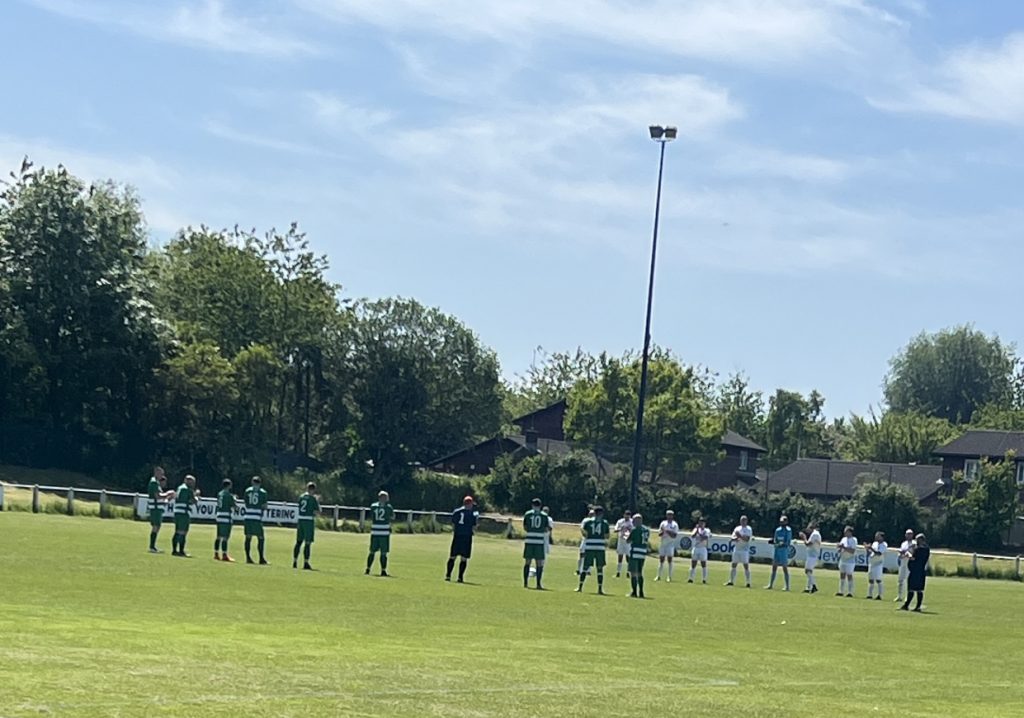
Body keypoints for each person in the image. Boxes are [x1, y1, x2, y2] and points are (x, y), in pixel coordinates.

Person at [576, 505, 610, 595]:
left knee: (585, 567)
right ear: (602, 514)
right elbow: (607, 536)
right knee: (599, 568)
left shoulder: (588, 522)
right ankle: (600, 589)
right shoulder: (605, 523)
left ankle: (580, 587)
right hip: (600, 547)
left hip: (590, 546)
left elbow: (585, 534)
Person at [446, 496, 479, 583]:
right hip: (466, 537)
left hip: (457, 536)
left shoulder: (456, 512)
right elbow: (474, 526)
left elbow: (453, 524)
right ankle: (460, 577)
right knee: (464, 558)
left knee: (452, 556)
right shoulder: (472, 514)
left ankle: (448, 575)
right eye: (471, 504)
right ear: (469, 504)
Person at [146, 467, 175, 553]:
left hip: (157, 508)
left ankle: (153, 546)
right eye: (161, 474)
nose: (162, 476)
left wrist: (168, 498)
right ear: (156, 473)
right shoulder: (154, 483)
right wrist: (168, 493)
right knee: (156, 526)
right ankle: (152, 547)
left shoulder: (156, 483)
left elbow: (160, 499)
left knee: (157, 526)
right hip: (155, 508)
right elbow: (158, 496)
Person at [522, 498, 550, 589]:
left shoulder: (528, 514)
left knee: (527, 562)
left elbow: (525, 527)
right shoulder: (544, 515)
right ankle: (538, 584)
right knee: (539, 563)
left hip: (529, 540)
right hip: (539, 541)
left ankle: (526, 583)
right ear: (540, 506)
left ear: (532, 505)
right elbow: (546, 529)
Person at [899, 533, 930, 613]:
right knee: (918, 589)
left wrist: (908, 553)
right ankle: (915, 606)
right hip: (920, 571)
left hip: (916, 571)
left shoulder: (920, 549)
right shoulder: (926, 548)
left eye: (917, 539)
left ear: (921, 540)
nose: (916, 541)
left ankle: (909, 605)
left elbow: (913, 558)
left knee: (912, 589)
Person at [366, 490, 395, 577]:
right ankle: (383, 570)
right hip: (384, 531)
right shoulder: (388, 507)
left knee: (372, 551)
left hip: (375, 530)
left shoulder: (373, 506)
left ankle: (368, 569)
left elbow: (372, 516)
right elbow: (392, 517)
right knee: (383, 553)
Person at [293, 482, 320, 570]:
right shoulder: (312, 498)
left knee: (298, 542)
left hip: (300, 520)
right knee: (307, 543)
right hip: (308, 521)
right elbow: (317, 512)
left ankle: (295, 561)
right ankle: (306, 562)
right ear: (313, 489)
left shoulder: (301, 497)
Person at [243, 476, 269, 565]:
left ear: (252, 482)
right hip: (256, 517)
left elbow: (246, 503)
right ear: (260, 483)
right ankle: (261, 558)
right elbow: (265, 506)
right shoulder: (263, 492)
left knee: (248, 537)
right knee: (261, 538)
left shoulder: (247, 491)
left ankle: (248, 557)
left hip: (247, 516)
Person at [171, 474, 198, 557]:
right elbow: (193, 501)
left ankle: (174, 550)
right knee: (183, 532)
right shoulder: (188, 490)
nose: (193, 484)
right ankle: (181, 551)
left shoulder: (180, 488)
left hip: (177, 512)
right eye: (192, 482)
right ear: (188, 481)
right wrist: (196, 496)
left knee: (177, 531)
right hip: (184, 513)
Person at [765, 515, 792, 591]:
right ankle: (770, 584)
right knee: (774, 567)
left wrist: (782, 544)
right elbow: (775, 539)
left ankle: (787, 586)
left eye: (783, 521)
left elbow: (788, 542)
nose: (782, 523)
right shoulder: (778, 530)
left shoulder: (788, 530)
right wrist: (774, 542)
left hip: (783, 551)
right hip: (777, 550)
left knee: (784, 568)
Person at [725, 515, 753, 588]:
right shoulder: (737, 528)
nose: (743, 522)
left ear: (746, 521)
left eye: (744, 520)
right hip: (737, 549)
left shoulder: (748, 529)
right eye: (742, 520)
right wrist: (736, 538)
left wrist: (739, 536)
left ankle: (748, 582)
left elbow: (747, 539)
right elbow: (732, 537)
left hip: (744, 550)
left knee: (746, 566)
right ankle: (731, 581)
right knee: (733, 565)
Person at [627, 514, 650, 598]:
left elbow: (628, 540)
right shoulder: (646, 530)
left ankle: (634, 592)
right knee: (640, 573)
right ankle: (641, 591)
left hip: (635, 551)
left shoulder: (635, 529)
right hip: (643, 552)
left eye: (633, 520)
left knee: (633, 573)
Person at [214, 479, 237, 562]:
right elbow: (234, 506)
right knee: (225, 537)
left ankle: (216, 553)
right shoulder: (228, 495)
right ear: (229, 485)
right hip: (226, 516)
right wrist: (234, 500)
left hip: (219, 515)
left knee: (218, 536)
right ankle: (224, 555)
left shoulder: (219, 494)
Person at [656, 510, 679, 582]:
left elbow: (674, 535)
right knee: (661, 560)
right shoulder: (663, 523)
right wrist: (663, 531)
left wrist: (667, 531)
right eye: (668, 515)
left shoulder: (675, 524)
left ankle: (669, 576)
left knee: (670, 560)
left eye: (671, 515)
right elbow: (659, 534)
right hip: (663, 544)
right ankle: (658, 575)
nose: (669, 516)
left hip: (670, 545)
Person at [800, 521, 822, 594]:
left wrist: (804, 537)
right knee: (810, 571)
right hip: (812, 554)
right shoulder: (815, 534)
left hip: (813, 555)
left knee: (807, 571)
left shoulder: (814, 534)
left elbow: (808, 544)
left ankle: (814, 585)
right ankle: (808, 587)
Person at [836, 525, 858, 597]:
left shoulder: (854, 540)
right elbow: (841, 548)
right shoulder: (843, 539)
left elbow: (852, 551)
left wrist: (844, 547)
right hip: (843, 559)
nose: (845, 533)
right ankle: (841, 591)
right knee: (842, 575)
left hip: (850, 560)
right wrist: (839, 548)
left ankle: (850, 592)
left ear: (850, 532)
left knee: (849, 575)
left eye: (846, 531)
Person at [688, 517, 711, 584]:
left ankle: (704, 579)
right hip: (696, 547)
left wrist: (699, 533)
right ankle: (691, 578)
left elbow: (705, 537)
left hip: (703, 548)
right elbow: (692, 536)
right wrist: (697, 531)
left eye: (702, 522)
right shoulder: (695, 529)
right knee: (693, 564)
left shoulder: (707, 530)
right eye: (700, 522)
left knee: (703, 564)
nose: (701, 524)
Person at [895, 529, 916, 603]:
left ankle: (907, 597)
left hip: (909, 562)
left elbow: (914, 552)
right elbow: (901, 552)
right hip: (903, 562)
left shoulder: (914, 543)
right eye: (907, 534)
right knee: (900, 580)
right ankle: (899, 596)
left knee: (908, 580)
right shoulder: (903, 543)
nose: (909, 535)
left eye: (910, 534)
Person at [866, 531, 888, 600]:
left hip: (878, 563)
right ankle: (870, 594)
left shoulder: (884, 545)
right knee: (871, 579)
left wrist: (871, 548)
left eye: (878, 536)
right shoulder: (875, 543)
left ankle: (879, 595)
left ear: (882, 537)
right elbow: (872, 552)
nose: (876, 537)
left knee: (878, 579)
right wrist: (867, 549)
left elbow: (879, 553)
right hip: (872, 563)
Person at [614, 510, 633, 578]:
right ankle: (618, 572)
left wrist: (629, 529)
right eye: (626, 515)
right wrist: (620, 529)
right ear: (624, 515)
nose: (627, 517)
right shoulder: (620, 521)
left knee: (628, 556)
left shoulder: (632, 522)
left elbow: (634, 530)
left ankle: (628, 572)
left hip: (628, 540)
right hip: (621, 540)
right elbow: (615, 529)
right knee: (620, 556)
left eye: (628, 515)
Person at [576, 508, 594, 575]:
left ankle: (588, 570)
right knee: (582, 554)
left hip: (592, 540)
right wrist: (585, 535)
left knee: (589, 555)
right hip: (585, 540)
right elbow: (582, 529)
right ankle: (579, 569)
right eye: (590, 513)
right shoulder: (585, 520)